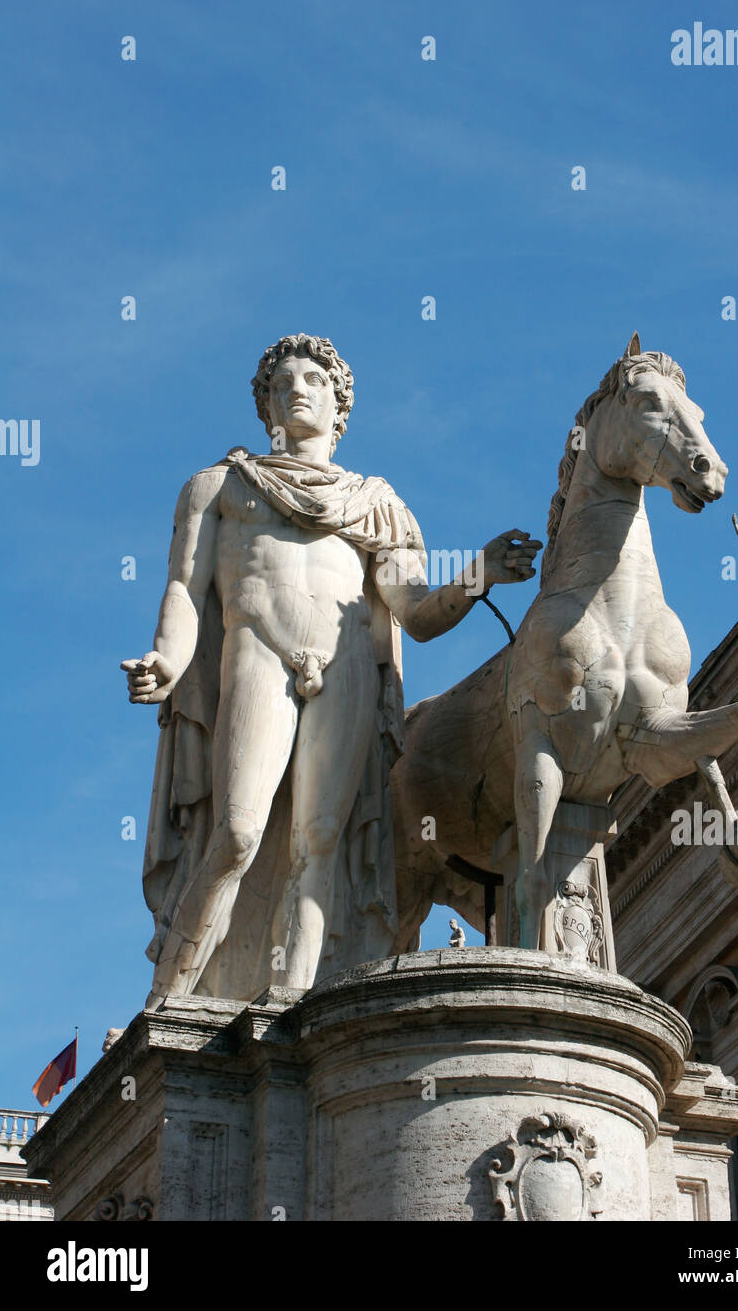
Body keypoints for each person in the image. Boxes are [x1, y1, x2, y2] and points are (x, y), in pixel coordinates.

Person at [122, 334, 541, 1005]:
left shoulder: (375, 504)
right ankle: (167, 1004)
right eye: (283, 381)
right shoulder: (218, 487)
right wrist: (166, 660)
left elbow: (418, 613)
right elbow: (183, 589)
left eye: (314, 379)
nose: (299, 388)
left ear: (339, 404)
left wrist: (478, 574)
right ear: (265, 405)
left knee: (321, 842)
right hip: (257, 651)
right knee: (235, 835)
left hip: (345, 667)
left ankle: (290, 1005)